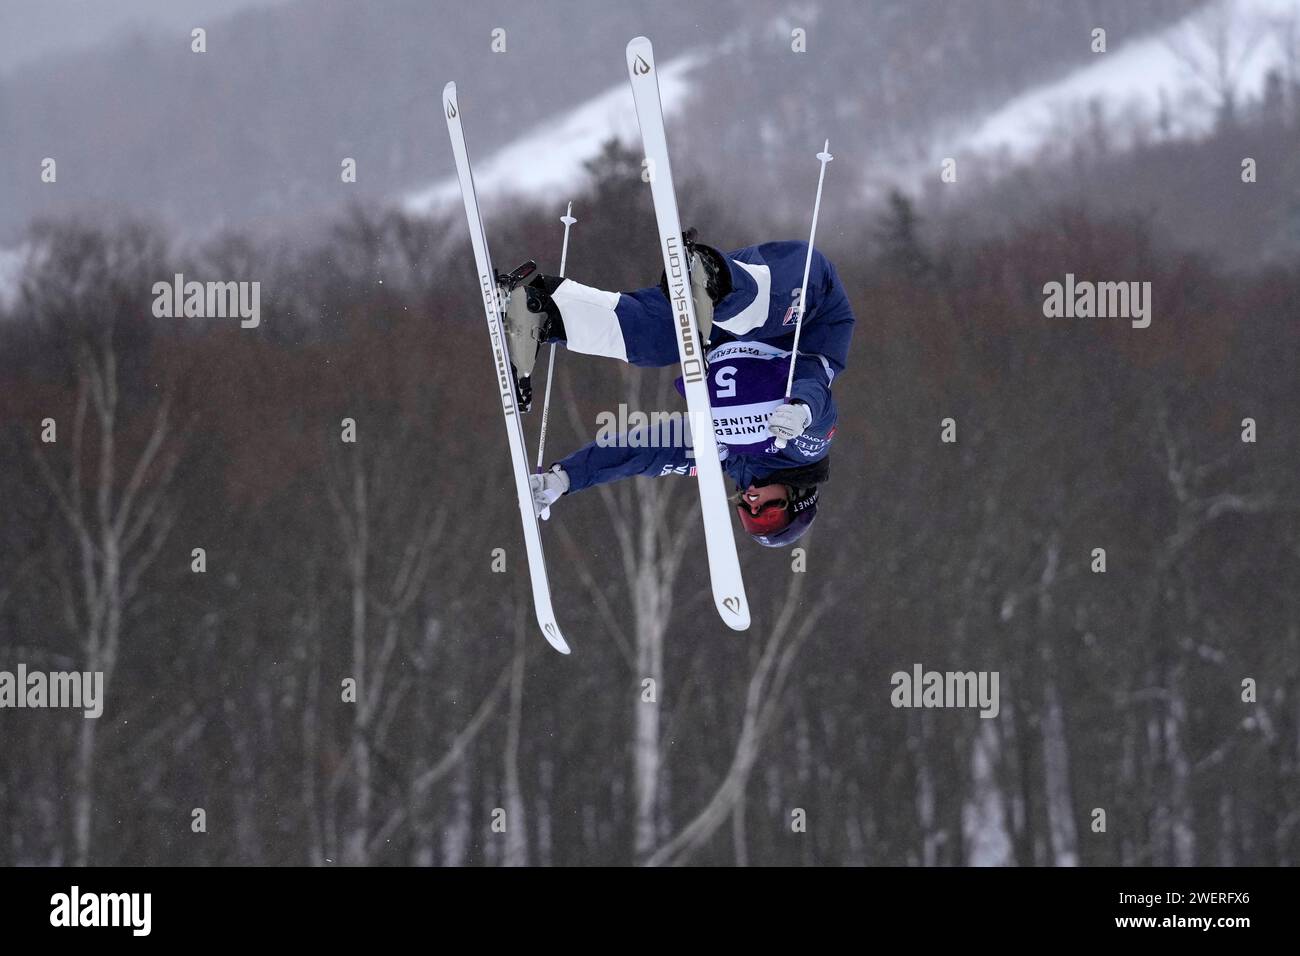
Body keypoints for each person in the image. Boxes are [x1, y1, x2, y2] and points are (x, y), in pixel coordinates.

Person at [505, 233, 855, 547]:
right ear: (798, 497)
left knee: (650, 341)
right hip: (804, 303)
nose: (752, 503)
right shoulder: (802, 450)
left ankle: (542, 310)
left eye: (750, 516)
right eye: (769, 511)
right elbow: (819, 401)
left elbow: (643, 453)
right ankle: (716, 282)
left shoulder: (720, 452)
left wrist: (564, 478)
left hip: (717, 331)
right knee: (753, 315)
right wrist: (802, 410)